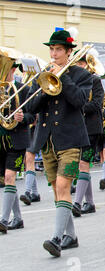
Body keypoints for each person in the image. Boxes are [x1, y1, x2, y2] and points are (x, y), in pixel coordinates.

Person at [27, 28, 93, 257]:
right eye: (51, 50)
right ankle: (71, 236)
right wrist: (45, 87)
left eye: (58, 50)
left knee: (65, 187)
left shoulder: (81, 76)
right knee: (57, 190)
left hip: (72, 142)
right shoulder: (43, 74)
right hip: (47, 142)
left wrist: (61, 77)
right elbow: (30, 107)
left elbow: (80, 101)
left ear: (68, 51)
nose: (53, 54)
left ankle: (56, 238)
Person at [0, 60, 33, 233]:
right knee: (7, 180)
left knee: (9, 176)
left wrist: (23, 117)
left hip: (17, 139)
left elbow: (32, 115)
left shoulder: (23, 88)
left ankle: (3, 220)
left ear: (12, 69)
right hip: (1, 140)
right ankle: (17, 218)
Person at [72, 48, 105, 217]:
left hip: (92, 127)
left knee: (84, 163)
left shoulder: (95, 80)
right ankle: (90, 202)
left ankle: (77, 202)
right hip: (77, 126)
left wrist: (76, 107)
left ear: (85, 64)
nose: (77, 66)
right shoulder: (73, 81)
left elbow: (97, 104)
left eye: (79, 63)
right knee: (81, 165)